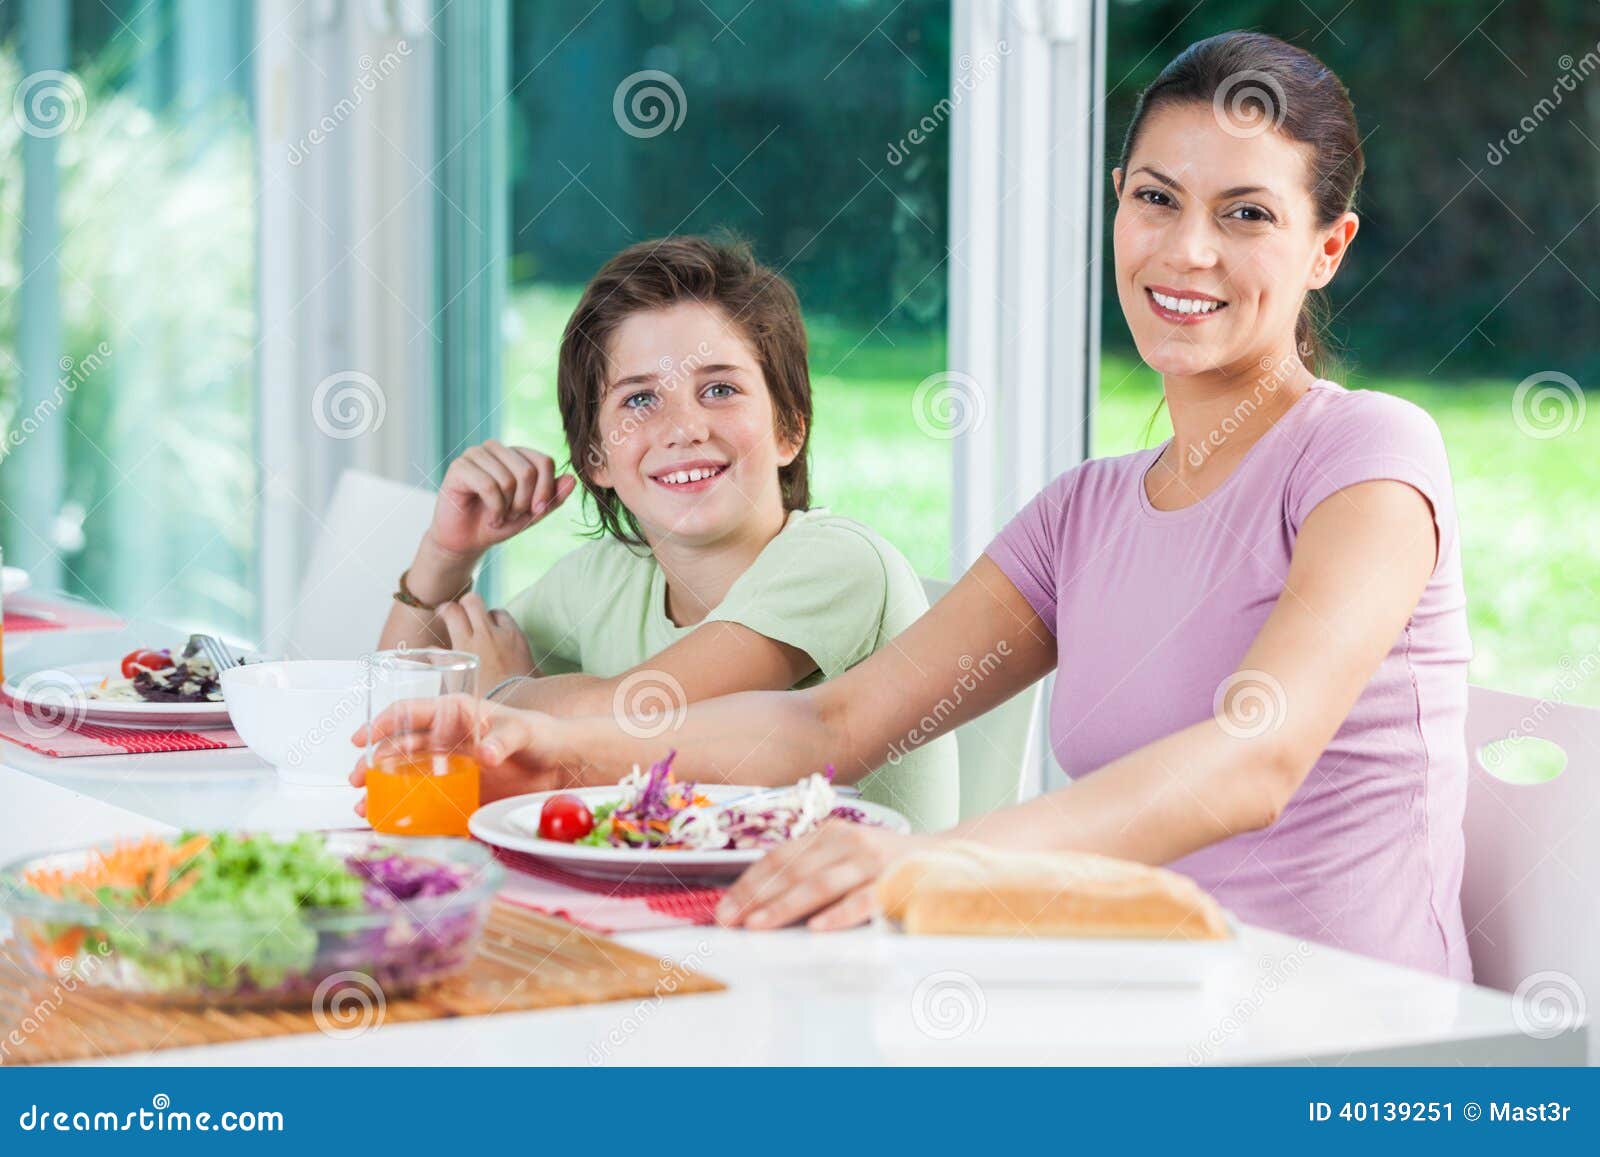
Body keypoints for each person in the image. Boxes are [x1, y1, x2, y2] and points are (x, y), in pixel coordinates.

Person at [359, 33, 1472, 979]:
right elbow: (829, 725)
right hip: (1137, 1004)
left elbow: (1253, 759)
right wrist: (553, 741)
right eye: (1155, 198)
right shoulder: (1082, 513)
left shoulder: (1366, 456)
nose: (1187, 249)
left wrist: (939, 858)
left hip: (1348, 1037)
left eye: (1246, 214)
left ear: (1327, 249)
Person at [369, 236, 959, 831]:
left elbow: (635, 710)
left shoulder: (839, 564)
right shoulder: (603, 577)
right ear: (596, 456)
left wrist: (506, 693)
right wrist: (447, 555)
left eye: (720, 389)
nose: (684, 427)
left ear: (789, 429)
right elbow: (401, 721)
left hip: (856, 891)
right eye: (641, 399)